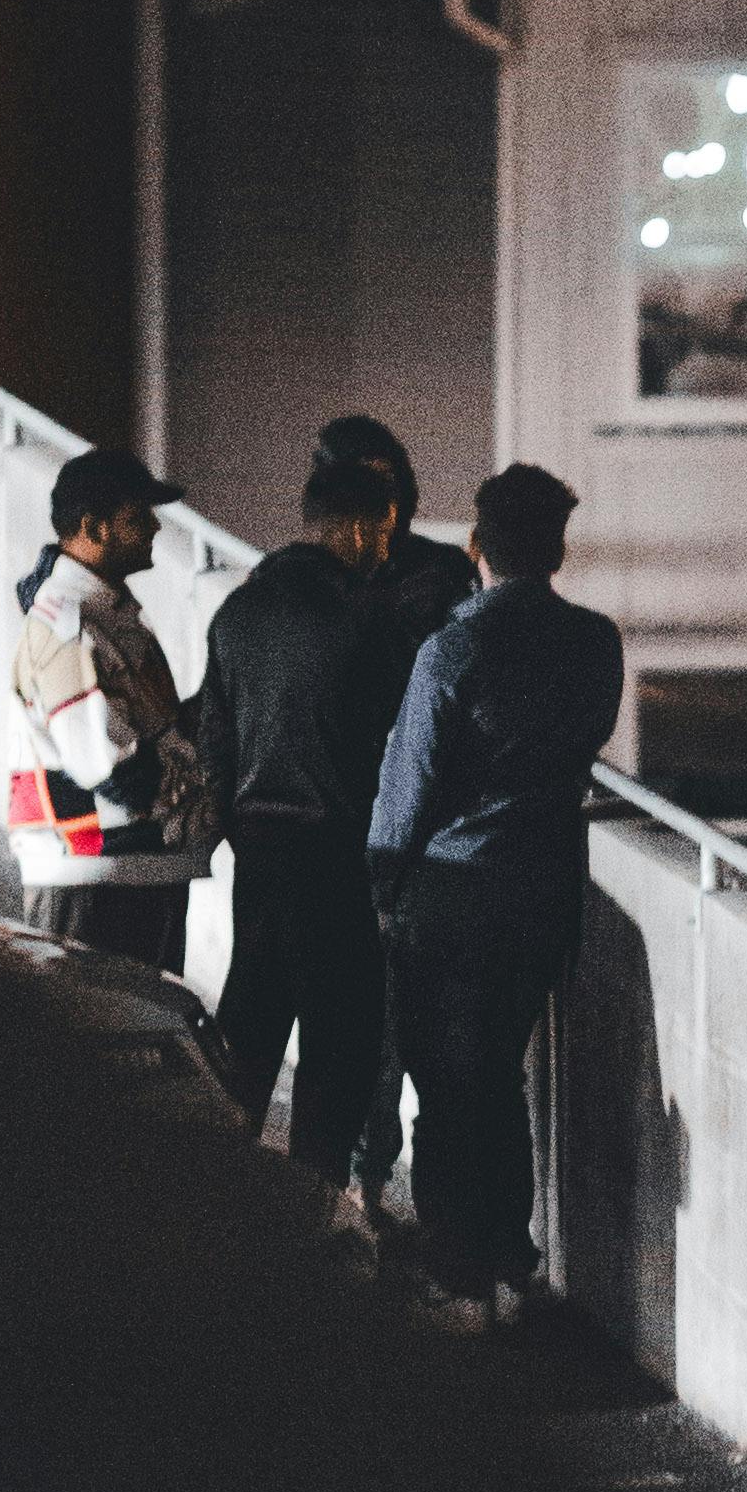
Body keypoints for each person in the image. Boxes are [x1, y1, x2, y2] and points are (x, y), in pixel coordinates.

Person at [366, 462, 623, 1325]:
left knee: (445, 1084)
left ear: (476, 545)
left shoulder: (453, 648)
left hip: (453, 890)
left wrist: (383, 879)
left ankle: (460, 1273)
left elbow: (411, 783)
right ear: (556, 548)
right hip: (544, 887)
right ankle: (511, 1259)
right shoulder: (595, 643)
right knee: (500, 1077)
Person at [195, 436, 413, 1222]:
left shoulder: (238, 611)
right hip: (336, 858)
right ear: (359, 528)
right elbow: (401, 747)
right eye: (384, 535)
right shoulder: (367, 621)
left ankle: (211, 1209)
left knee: (246, 1039)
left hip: (258, 855)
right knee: (337, 1051)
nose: (384, 554)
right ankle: (310, 1220)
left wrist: (233, 825)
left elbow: (213, 739)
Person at [308, 414, 474, 1206]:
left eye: (393, 484)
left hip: (415, 823)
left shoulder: (434, 575)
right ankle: (351, 1185)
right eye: (367, 488)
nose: (388, 505)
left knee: (400, 1026)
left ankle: (372, 1185)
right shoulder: (306, 585)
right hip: (336, 825)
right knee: (349, 1023)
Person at [8, 444, 212, 973]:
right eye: (139, 515)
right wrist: (196, 774)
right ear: (94, 528)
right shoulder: (67, 624)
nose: (154, 527)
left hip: (128, 870)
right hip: (95, 878)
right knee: (91, 1048)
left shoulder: (108, 617)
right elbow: (113, 767)